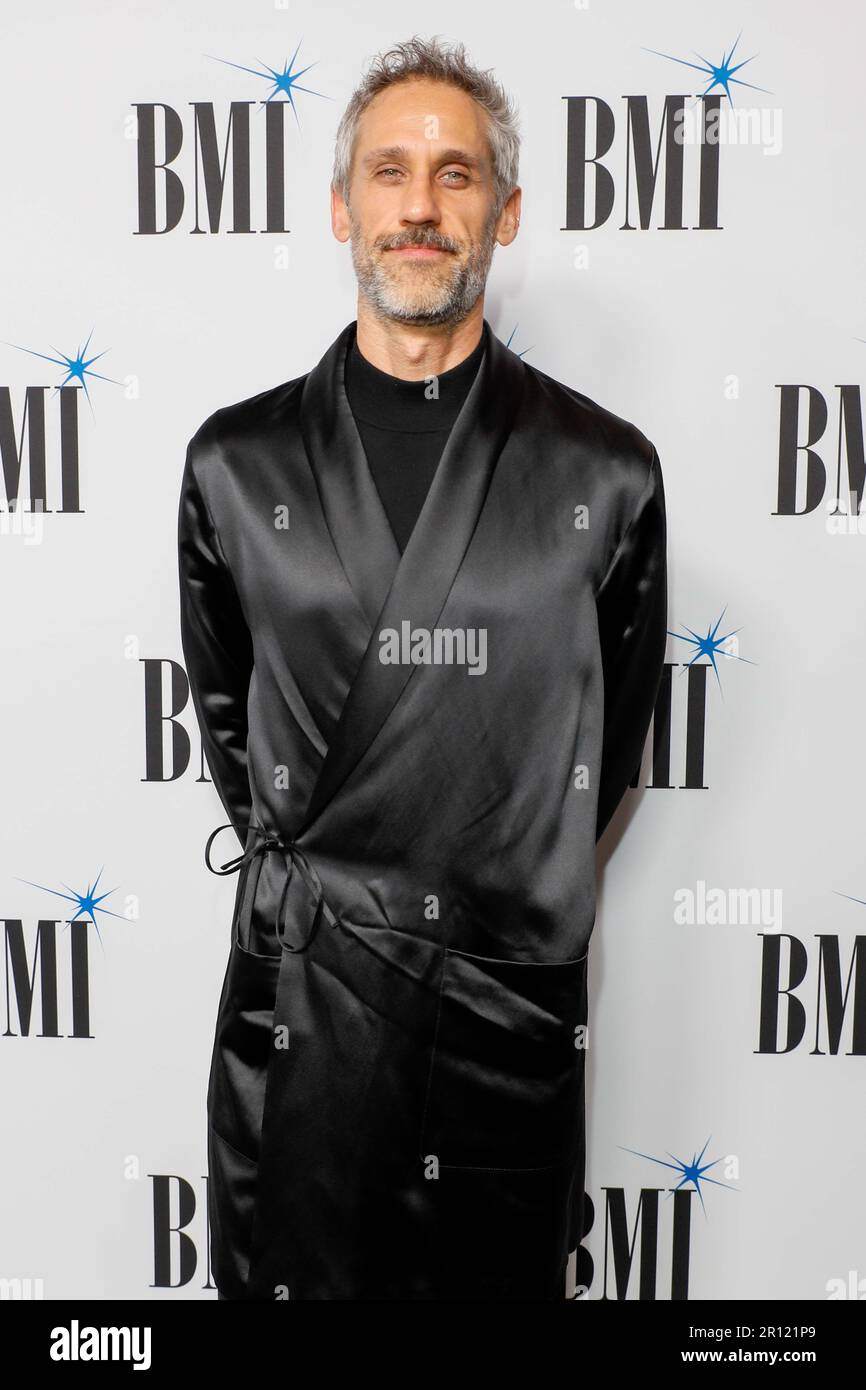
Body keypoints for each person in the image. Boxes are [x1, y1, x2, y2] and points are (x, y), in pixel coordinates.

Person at [178, 34, 667, 1301]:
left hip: (501, 1015)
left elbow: (604, 755)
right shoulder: (236, 465)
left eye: (456, 175)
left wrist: (488, 888)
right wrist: (339, 880)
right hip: (304, 1010)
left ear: (505, 211)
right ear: (341, 207)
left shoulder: (604, 473)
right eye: (389, 171)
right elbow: (236, 735)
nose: (419, 204)